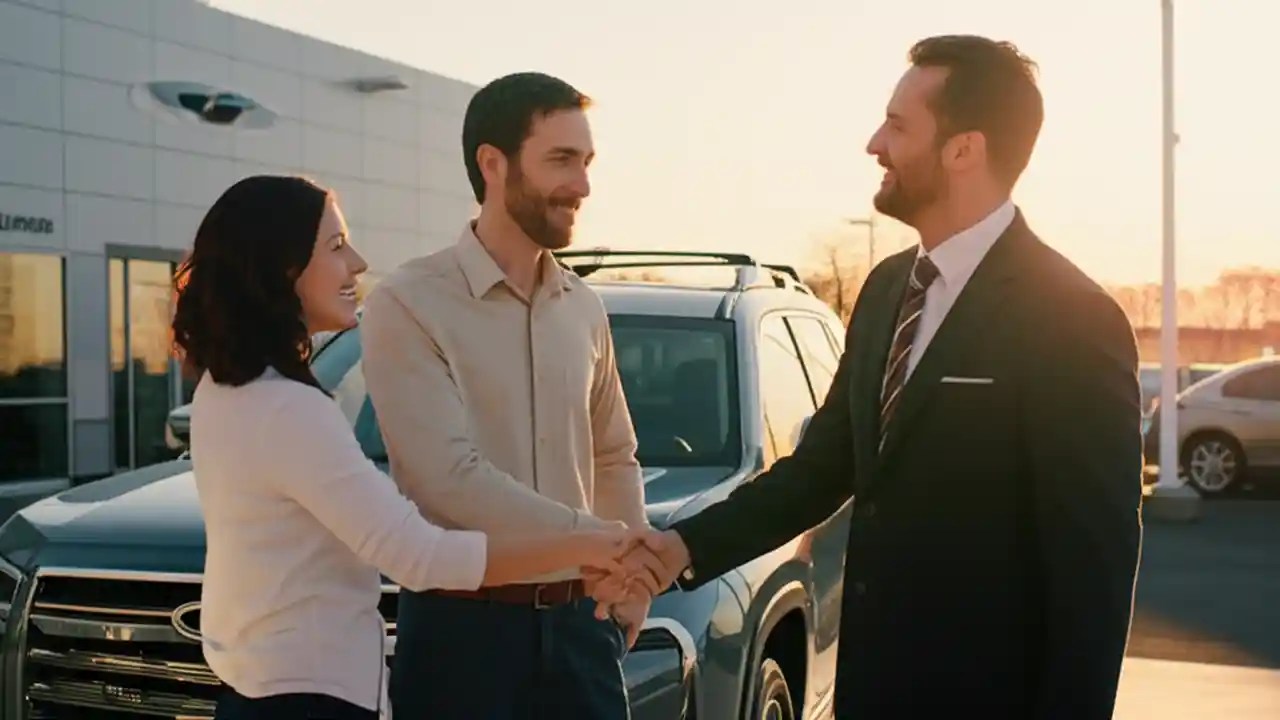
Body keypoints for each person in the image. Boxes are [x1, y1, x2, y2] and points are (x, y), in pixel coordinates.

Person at [627, 35, 1144, 718]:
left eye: (898, 126)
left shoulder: (1072, 317)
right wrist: (677, 549)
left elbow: (1092, 575)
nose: (875, 143)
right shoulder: (887, 290)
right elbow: (822, 469)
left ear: (964, 149)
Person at [172, 175, 650, 720]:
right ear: (281, 268)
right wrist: (591, 545)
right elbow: (419, 555)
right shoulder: (291, 410)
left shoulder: (223, 392)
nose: (356, 262)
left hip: (262, 691)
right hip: (308, 700)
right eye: (335, 246)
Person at [360, 72, 661, 719]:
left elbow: (613, 455)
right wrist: (602, 544)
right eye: (560, 160)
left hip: (583, 630)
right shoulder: (407, 303)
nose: (582, 185)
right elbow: (447, 479)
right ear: (492, 164)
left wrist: (632, 582)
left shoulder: (583, 307)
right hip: (460, 637)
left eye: (586, 163)